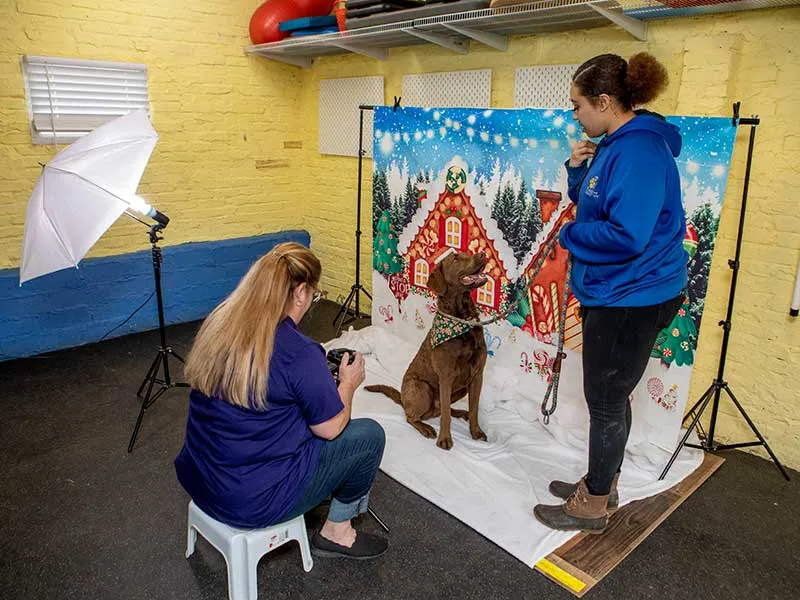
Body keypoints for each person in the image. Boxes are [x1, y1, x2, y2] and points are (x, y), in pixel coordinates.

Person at [533, 53, 688, 534]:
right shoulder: (619, 143)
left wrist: (569, 236)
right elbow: (599, 201)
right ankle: (604, 480)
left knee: (603, 398)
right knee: (611, 394)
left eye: (578, 105)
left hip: (630, 298)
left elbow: (626, 235)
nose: (575, 116)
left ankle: (593, 504)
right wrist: (579, 173)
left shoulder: (638, 151)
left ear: (605, 101)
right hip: (621, 291)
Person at [174, 242, 388, 559]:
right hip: (252, 502)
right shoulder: (299, 351)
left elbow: (264, 393)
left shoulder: (218, 324)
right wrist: (348, 384)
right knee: (368, 435)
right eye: (314, 295)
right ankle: (337, 531)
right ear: (300, 292)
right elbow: (331, 429)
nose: (310, 303)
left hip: (200, 481)